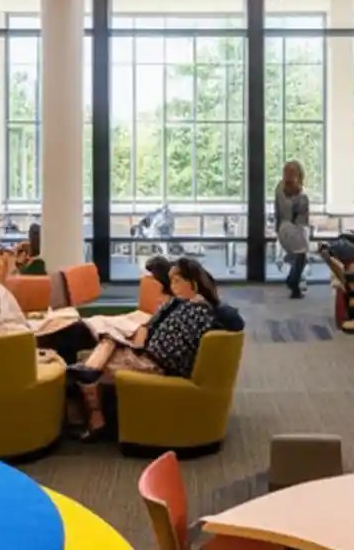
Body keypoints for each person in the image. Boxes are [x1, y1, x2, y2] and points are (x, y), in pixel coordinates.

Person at [68, 257, 242, 440]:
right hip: (149, 356)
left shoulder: (200, 311)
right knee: (88, 358)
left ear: (193, 284)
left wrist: (142, 348)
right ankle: (95, 413)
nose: (172, 286)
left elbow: (178, 348)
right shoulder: (179, 304)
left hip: (156, 364)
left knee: (82, 369)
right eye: (172, 281)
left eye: (177, 281)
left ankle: (95, 421)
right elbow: (151, 327)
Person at [275, 160, 311, 299]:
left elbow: (277, 210)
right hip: (295, 228)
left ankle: (294, 282)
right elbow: (302, 218)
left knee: (297, 256)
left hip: (283, 226)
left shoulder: (279, 187)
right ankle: (293, 282)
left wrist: (277, 229)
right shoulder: (300, 193)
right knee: (301, 255)